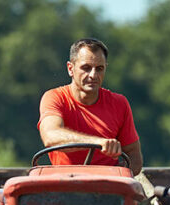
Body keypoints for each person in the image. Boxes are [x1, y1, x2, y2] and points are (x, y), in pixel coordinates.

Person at [37, 38, 143, 175]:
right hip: (64, 181)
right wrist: (98, 143)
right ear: (70, 69)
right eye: (86, 68)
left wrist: (117, 176)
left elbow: (134, 157)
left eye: (99, 69)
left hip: (108, 184)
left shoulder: (119, 103)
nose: (93, 75)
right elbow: (51, 136)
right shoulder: (55, 97)